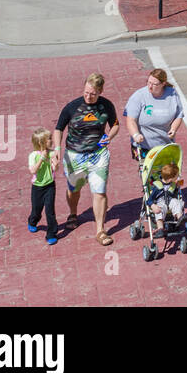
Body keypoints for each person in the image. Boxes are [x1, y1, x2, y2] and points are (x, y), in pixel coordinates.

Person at [54, 73, 118, 246]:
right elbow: (59, 128)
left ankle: (100, 230)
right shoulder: (72, 107)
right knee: (74, 188)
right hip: (75, 155)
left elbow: (116, 124)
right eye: (86, 92)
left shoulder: (106, 106)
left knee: (100, 191)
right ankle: (73, 213)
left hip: (98, 155)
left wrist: (109, 136)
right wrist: (57, 149)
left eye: (93, 94)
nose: (88, 96)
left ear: (100, 91)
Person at [123, 68, 184, 153]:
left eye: (154, 84)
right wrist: (136, 135)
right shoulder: (139, 96)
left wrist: (173, 129)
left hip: (165, 145)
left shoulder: (172, 94)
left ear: (163, 84)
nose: (150, 86)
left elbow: (178, 115)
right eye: (149, 82)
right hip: (144, 147)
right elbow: (131, 120)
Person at [27, 129, 59, 244]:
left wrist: (55, 164)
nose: (51, 140)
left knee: (50, 211)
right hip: (37, 187)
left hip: (50, 186)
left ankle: (51, 233)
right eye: (49, 138)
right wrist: (42, 158)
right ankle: (32, 221)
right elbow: (33, 170)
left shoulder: (52, 153)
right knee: (37, 209)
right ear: (41, 143)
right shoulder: (33, 155)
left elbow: (55, 168)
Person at [147, 162, 185, 238]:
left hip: (170, 201)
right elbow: (149, 200)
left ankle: (180, 218)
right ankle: (160, 228)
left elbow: (174, 195)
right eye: (177, 176)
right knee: (159, 210)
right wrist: (153, 205)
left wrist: (177, 188)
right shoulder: (157, 187)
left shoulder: (173, 185)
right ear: (171, 178)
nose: (178, 178)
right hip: (161, 202)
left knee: (176, 202)